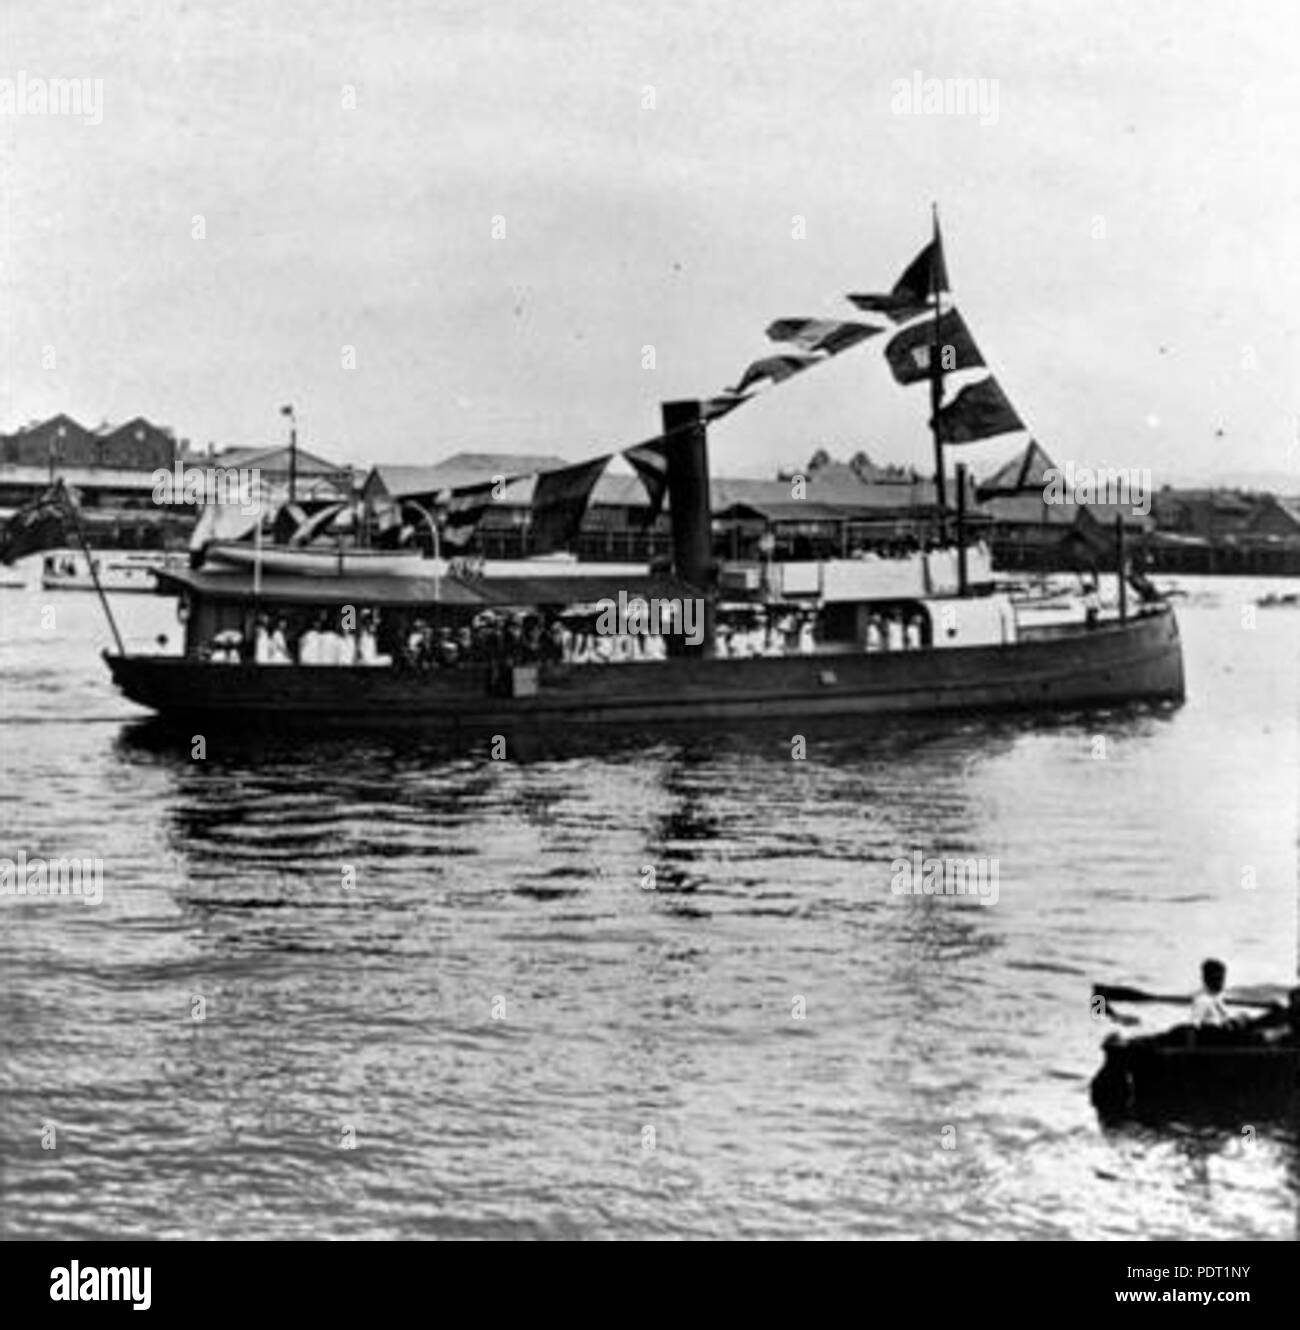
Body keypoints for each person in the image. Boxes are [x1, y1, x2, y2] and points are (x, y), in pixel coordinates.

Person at [1189, 958, 1234, 1028]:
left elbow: (1223, 1020)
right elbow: (1194, 1025)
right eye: (1217, 979)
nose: (1221, 983)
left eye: (1222, 979)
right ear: (1206, 980)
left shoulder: (1217, 999)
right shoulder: (1202, 1000)